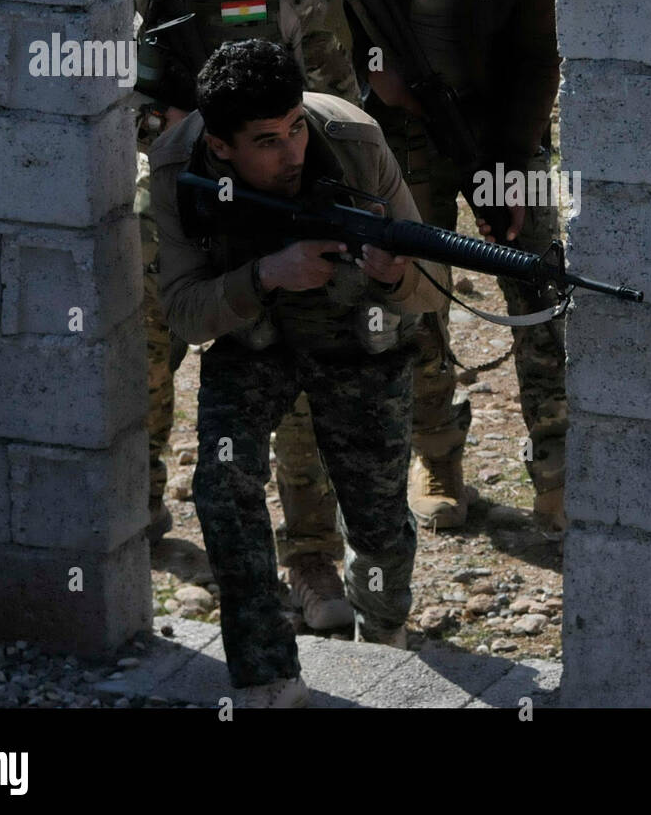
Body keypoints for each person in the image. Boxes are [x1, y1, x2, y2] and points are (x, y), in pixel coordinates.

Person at [288, 0, 569, 533]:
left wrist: (510, 161)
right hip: (390, 130)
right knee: (413, 290)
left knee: (541, 283)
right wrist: (355, 73)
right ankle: (438, 459)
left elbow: (541, 52)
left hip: (498, 125)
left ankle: (561, 469)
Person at [148, 39, 447, 707]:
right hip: (255, 337)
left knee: (375, 520)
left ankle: (384, 638)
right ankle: (265, 675)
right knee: (222, 486)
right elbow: (184, 311)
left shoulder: (351, 137)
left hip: (357, 336)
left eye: (295, 130)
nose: (292, 154)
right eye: (267, 142)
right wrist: (265, 274)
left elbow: (435, 283)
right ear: (221, 147)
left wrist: (396, 274)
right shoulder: (176, 165)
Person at [131, 0, 357, 629]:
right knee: (149, 351)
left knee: (294, 377)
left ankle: (310, 555)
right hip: (176, 203)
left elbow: (336, 108)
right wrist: (161, 131)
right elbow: (98, 90)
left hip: (275, 201)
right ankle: (138, 505)